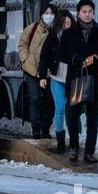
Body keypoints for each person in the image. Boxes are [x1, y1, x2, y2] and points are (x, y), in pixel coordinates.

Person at [57, 0, 98, 163]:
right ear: (78, 13)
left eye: (90, 12)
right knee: (72, 115)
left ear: (93, 13)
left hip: (93, 81)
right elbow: (61, 54)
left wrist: (96, 58)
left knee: (92, 118)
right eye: (84, 12)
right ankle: (74, 147)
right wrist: (74, 59)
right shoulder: (69, 33)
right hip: (75, 79)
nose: (87, 15)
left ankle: (89, 151)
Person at [17, 4, 57, 140]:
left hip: (49, 72)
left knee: (49, 100)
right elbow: (22, 44)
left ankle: (45, 128)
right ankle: (35, 128)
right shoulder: (32, 28)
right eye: (46, 12)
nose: (49, 16)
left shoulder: (56, 31)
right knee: (34, 99)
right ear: (41, 14)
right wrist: (24, 60)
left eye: (51, 13)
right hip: (32, 69)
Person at [38, 9, 73, 153]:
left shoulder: (77, 38)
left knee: (72, 111)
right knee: (59, 109)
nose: (67, 26)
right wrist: (42, 77)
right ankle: (60, 142)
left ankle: (74, 140)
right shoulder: (52, 38)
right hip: (57, 78)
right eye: (64, 23)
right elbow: (44, 57)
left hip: (72, 79)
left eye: (69, 23)